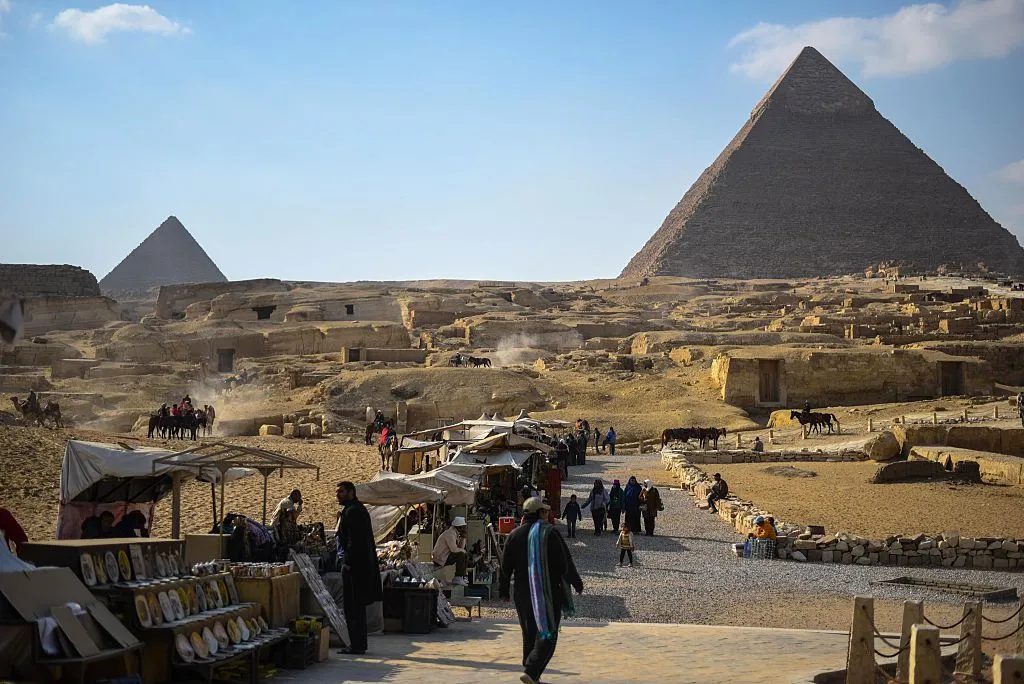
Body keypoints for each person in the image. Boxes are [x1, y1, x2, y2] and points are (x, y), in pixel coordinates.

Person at [500, 497, 583, 684]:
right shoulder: (550, 533)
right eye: (545, 511)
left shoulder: (514, 535)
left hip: (522, 592)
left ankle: (531, 672)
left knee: (529, 631)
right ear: (539, 513)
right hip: (548, 592)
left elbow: (505, 568)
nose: (547, 514)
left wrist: (503, 590)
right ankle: (531, 670)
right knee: (548, 631)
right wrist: (576, 582)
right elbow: (565, 562)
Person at [335, 481, 383, 655]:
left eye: (341, 491)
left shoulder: (353, 512)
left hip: (354, 568)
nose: (338, 495)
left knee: (353, 607)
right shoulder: (356, 510)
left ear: (351, 492)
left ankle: (356, 645)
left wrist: (347, 561)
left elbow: (354, 542)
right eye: (337, 492)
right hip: (358, 566)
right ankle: (358, 644)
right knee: (357, 608)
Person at [432, 517, 469, 585]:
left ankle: (462, 576)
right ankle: (458, 577)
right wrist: (463, 551)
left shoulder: (455, 533)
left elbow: (460, 547)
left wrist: (463, 537)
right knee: (462, 555)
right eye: (463, 527)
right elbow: (454, 549)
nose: (465, 529)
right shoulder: (450, 533)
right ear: (459, 527)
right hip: (440, 558)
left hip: (445, 556)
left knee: (463, 554)